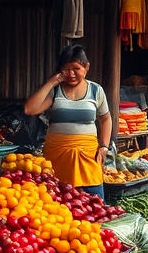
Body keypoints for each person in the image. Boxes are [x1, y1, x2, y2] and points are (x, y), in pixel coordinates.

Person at [23, 44, 112, 199]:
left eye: (76, 69)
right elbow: (29, 109)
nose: (71, 74)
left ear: (86, 67)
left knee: (94, 206)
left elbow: (105, 119)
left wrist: (104, 146)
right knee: (60, 205)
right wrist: (51, 82)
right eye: (66, 69)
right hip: (58, 158)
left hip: (88, 158)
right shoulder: (55, 90)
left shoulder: (96, 90)